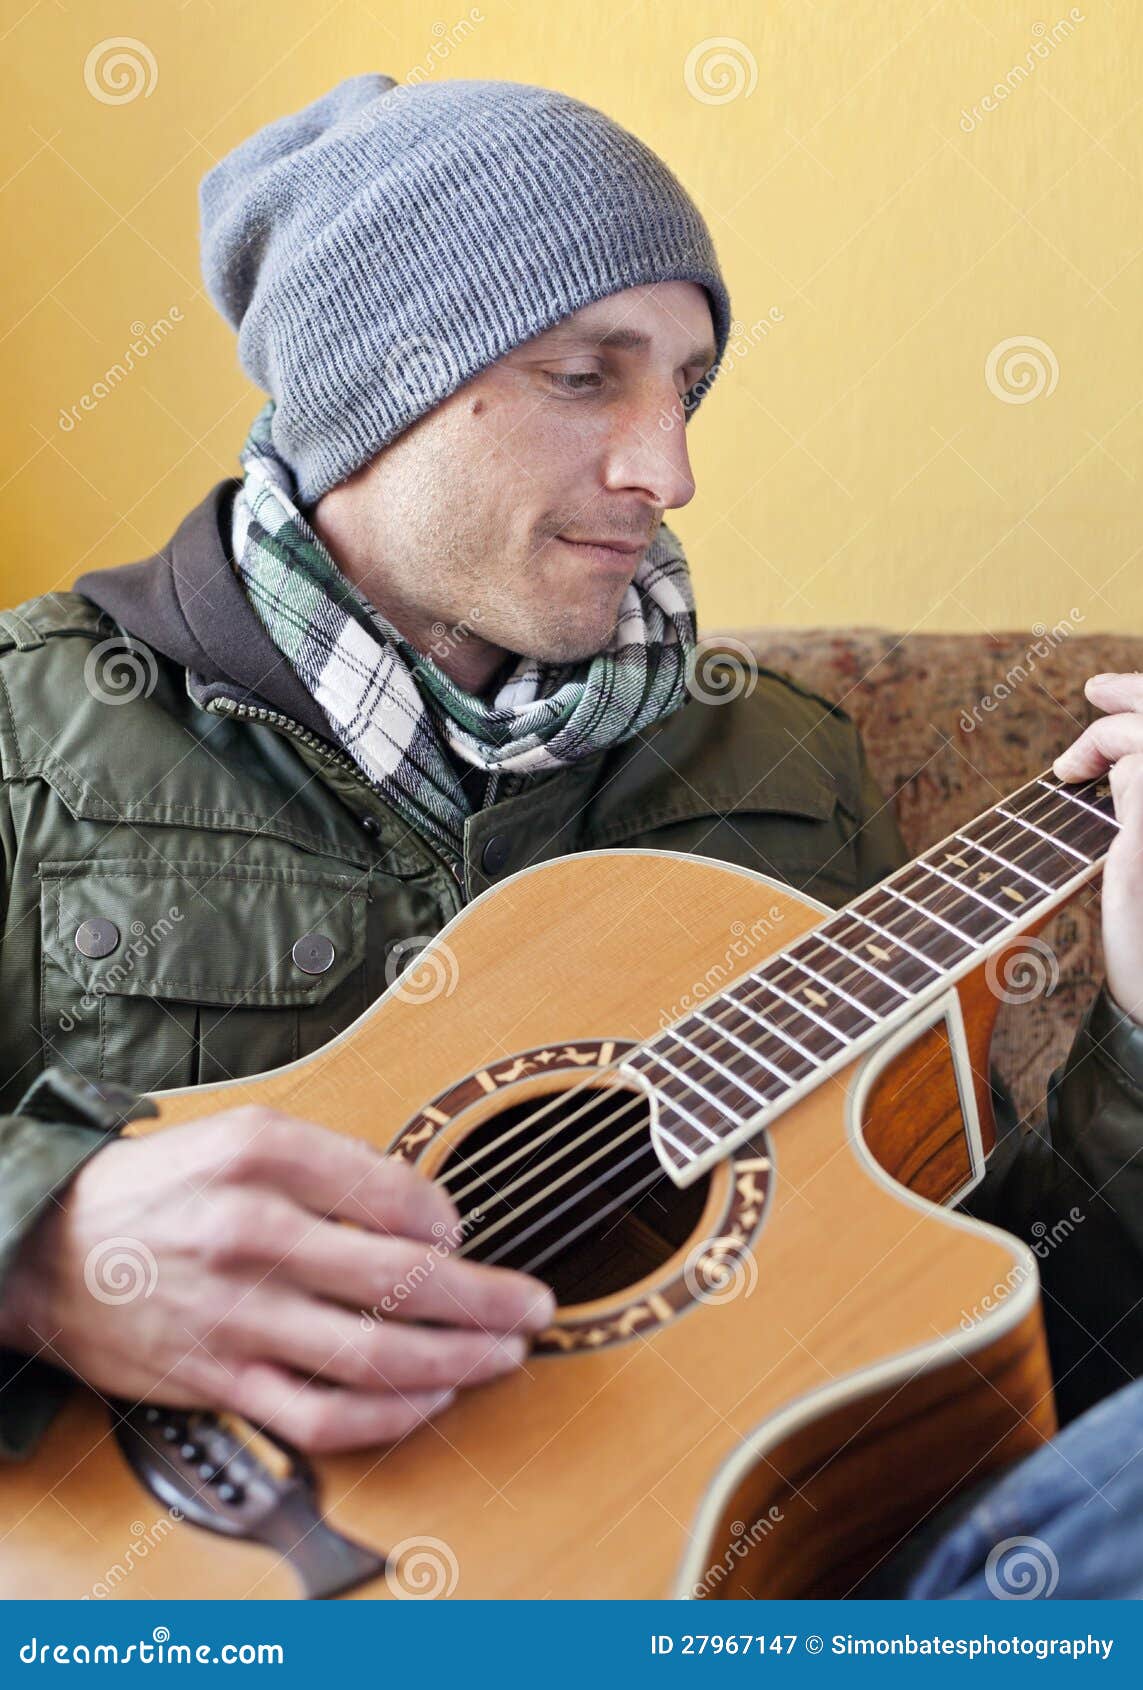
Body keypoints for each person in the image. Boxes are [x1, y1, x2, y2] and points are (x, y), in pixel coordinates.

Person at [0, 73, 1141, 1598]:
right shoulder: (32, 727)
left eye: (686, 388)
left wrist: (1136, 1034)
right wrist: (42, 1243)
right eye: (590, 375)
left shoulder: (784, 760)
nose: (668, 474)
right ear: (376, 382)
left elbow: (1003, 1331)